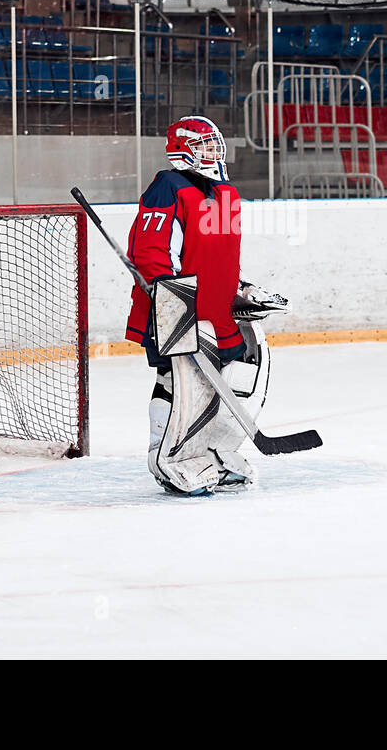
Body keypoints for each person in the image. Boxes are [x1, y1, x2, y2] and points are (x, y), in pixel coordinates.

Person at [125, 115, 265, 495]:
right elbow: (151, 251)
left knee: (235, 377)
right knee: (177, 381)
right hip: (178, 307)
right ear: (183, 148)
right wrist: (169, 299)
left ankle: (214, 452)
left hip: (218, 310)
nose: (212, 151)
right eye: (203, 144)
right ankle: (167, 458)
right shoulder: (168, 187)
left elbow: (219, 255)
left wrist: (240, 287)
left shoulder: (226, 193)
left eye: (213, 144)